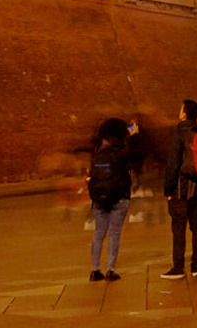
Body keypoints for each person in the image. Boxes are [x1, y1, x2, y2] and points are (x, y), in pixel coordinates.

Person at [161, 99, 197, 279]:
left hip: (181, 189)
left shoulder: (180, 133)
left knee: (179, 228)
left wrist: (168, 190)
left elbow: (173, 163)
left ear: (184, 114)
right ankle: (196, 267)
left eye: (180, 109)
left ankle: (178, 267)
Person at [86, 119, 132, 282]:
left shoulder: (97, 151)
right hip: (119, 197)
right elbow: (137, 154)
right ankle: (111, 269)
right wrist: (134, 136)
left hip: (100, 198)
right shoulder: (122, 150)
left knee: (99, 233)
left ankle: (94, 270)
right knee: (114, 233)